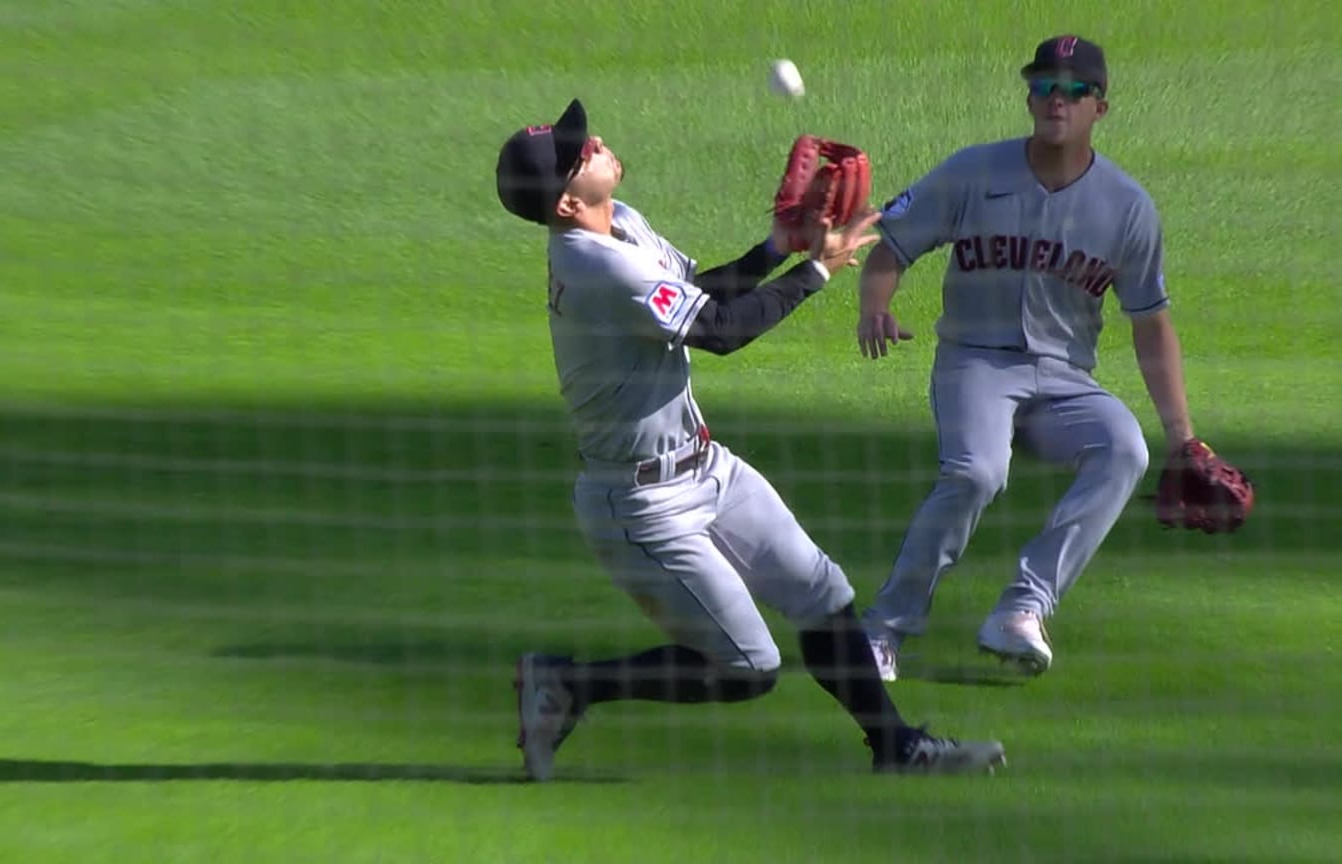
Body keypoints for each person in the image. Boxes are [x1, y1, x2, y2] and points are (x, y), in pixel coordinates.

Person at [493, 98, 1006, 781]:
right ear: (563, 204)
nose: (594, 144)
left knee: (823, 595)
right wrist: (816, 271)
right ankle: (569, 686)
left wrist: (774, 248)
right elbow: (721, 334)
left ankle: (896, 747)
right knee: (747, 668)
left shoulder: (624, 224)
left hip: (706, 468)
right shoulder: (594, 267)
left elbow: (697, 297)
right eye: (576, 155)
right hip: (639, 506)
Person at [855, 36, 1197, 681]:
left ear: (1101, 107)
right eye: (1044, 88)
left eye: (1073, 91)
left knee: (1125, 448)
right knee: (977, 473)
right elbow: (890, 248)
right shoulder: (972, 172)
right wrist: (875, 306)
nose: (1056, 101)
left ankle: (1023, 608)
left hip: (1065, 382)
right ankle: (885, 629)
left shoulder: (1128, 207)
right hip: (976, 365)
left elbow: (1151, 324)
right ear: (1029, 97)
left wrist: (1183, 436)